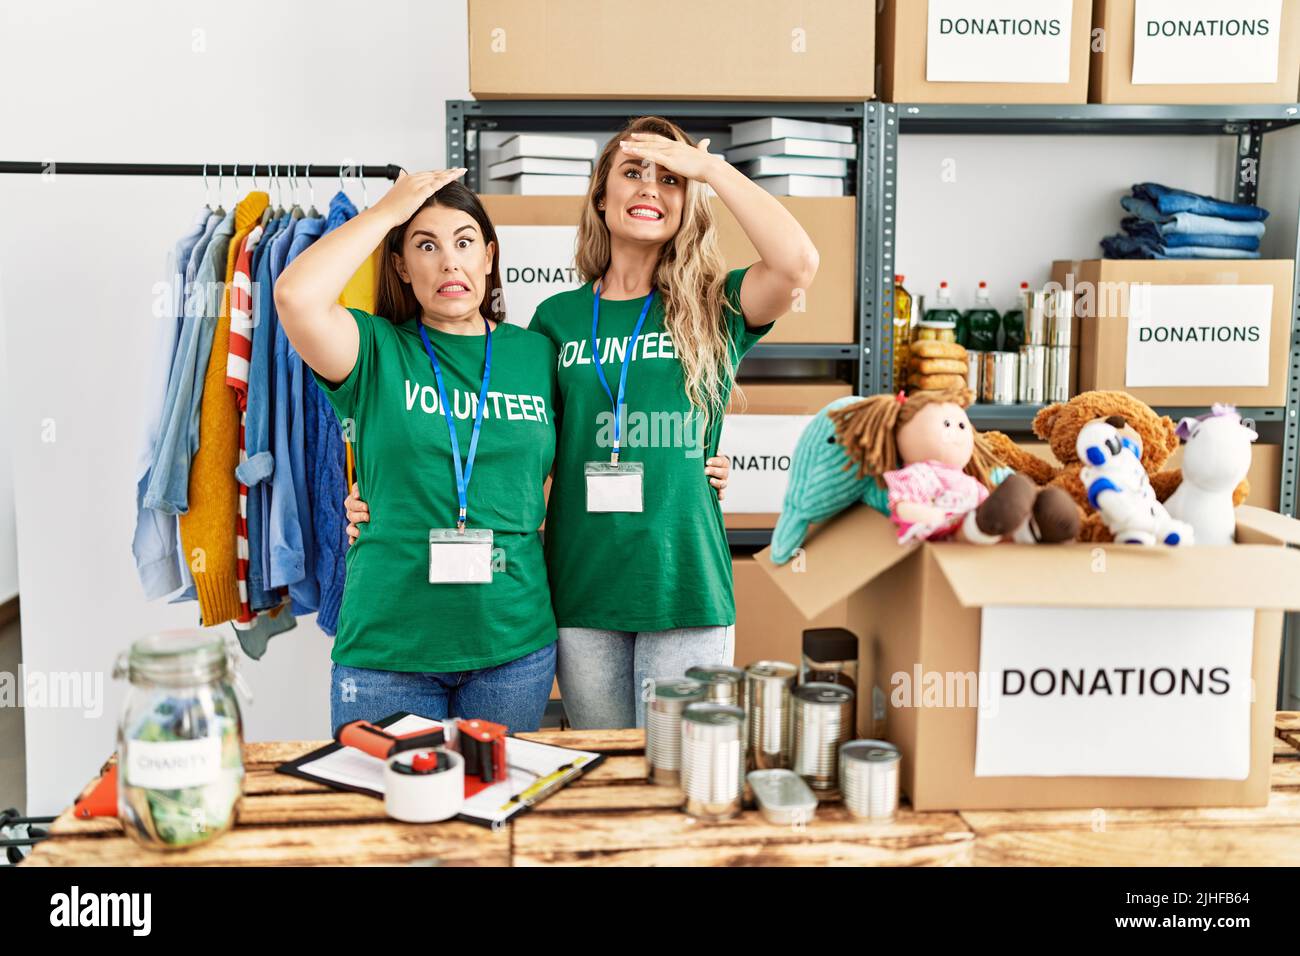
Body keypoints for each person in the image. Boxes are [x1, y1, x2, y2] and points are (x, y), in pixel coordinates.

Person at [347, 115, 820, 729]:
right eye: (632, 173)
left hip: (683, 584)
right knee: (599, 767)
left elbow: (797, 263)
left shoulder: (711, 304)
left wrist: (711, 169)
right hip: (579, 588)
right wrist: (378, 495)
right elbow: (501, 437)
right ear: (602, 196)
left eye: (670, 180)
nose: (651, 189)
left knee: (674, 775)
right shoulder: (555, 321)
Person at [275, 169, 561, 734]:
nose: (449, 262)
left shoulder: (537, 355)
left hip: (512, 647)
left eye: (463, 242)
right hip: (388, 652)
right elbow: (294, 296)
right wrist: (387, 212)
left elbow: (575, 468)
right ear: (402, 266)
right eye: (425, 245)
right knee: (388, 819)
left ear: (488, 256)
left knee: (492, 817)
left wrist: (705, 467)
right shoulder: (374, 350)